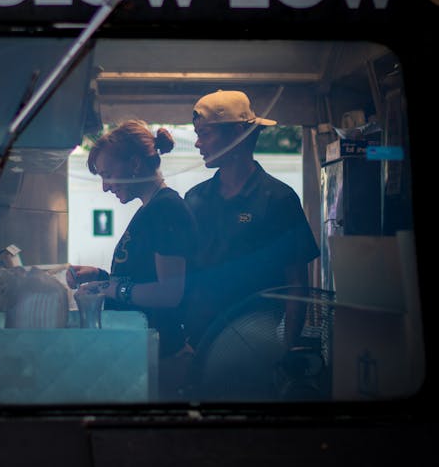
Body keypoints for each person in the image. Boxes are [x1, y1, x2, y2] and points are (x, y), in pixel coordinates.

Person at [66, 120, 199, 395]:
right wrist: (100, 276)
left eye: (108, 173)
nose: (105, 186)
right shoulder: (151, 208)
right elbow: (142, 280)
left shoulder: (166, 209)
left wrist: (110, 288)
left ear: (135, 164)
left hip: (165, 354)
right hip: (146, 350)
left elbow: (169, 293)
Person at [184, 89, 320, 350]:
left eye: (205, 134)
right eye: (197, 134)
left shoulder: (279, 198)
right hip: (197, 344)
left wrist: (287, 352)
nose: (198, 144)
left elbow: (297, 285)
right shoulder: (194, 198)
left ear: (238, 134)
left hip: (254, 347)